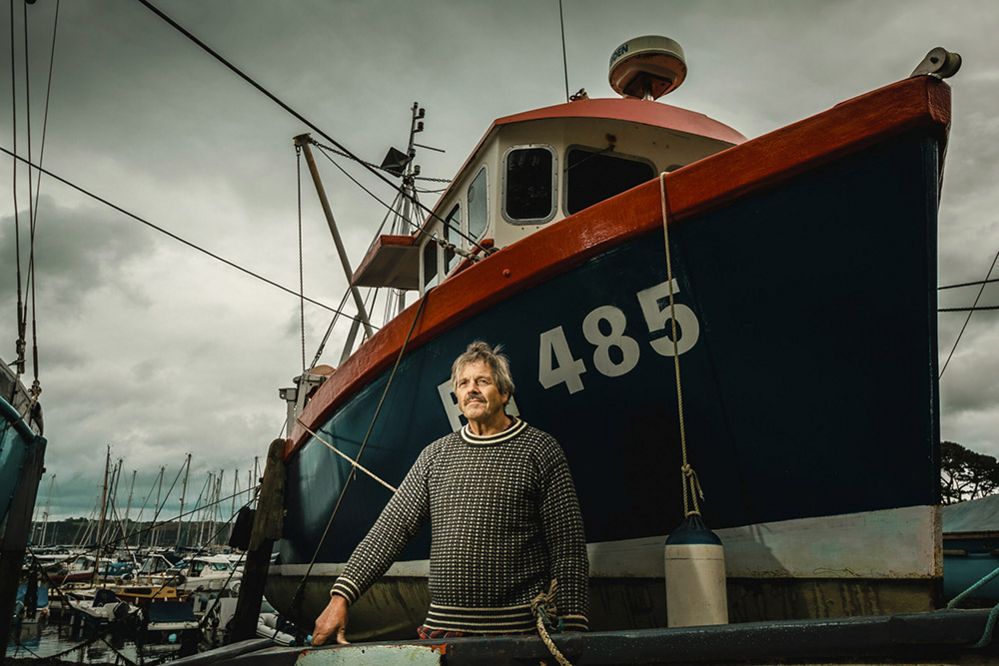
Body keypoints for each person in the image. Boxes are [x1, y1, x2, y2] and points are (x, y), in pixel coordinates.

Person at [312, 341, 589, 645]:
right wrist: (341, 597)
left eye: (482, 381)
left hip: (519, 634)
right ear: (456, 398)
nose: (472, 390)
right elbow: (390, 531)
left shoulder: (539, 449)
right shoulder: (435, 456)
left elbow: (568, 546)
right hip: (444, 633)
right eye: (464, 384)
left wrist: (572, 629)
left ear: (505, 393)